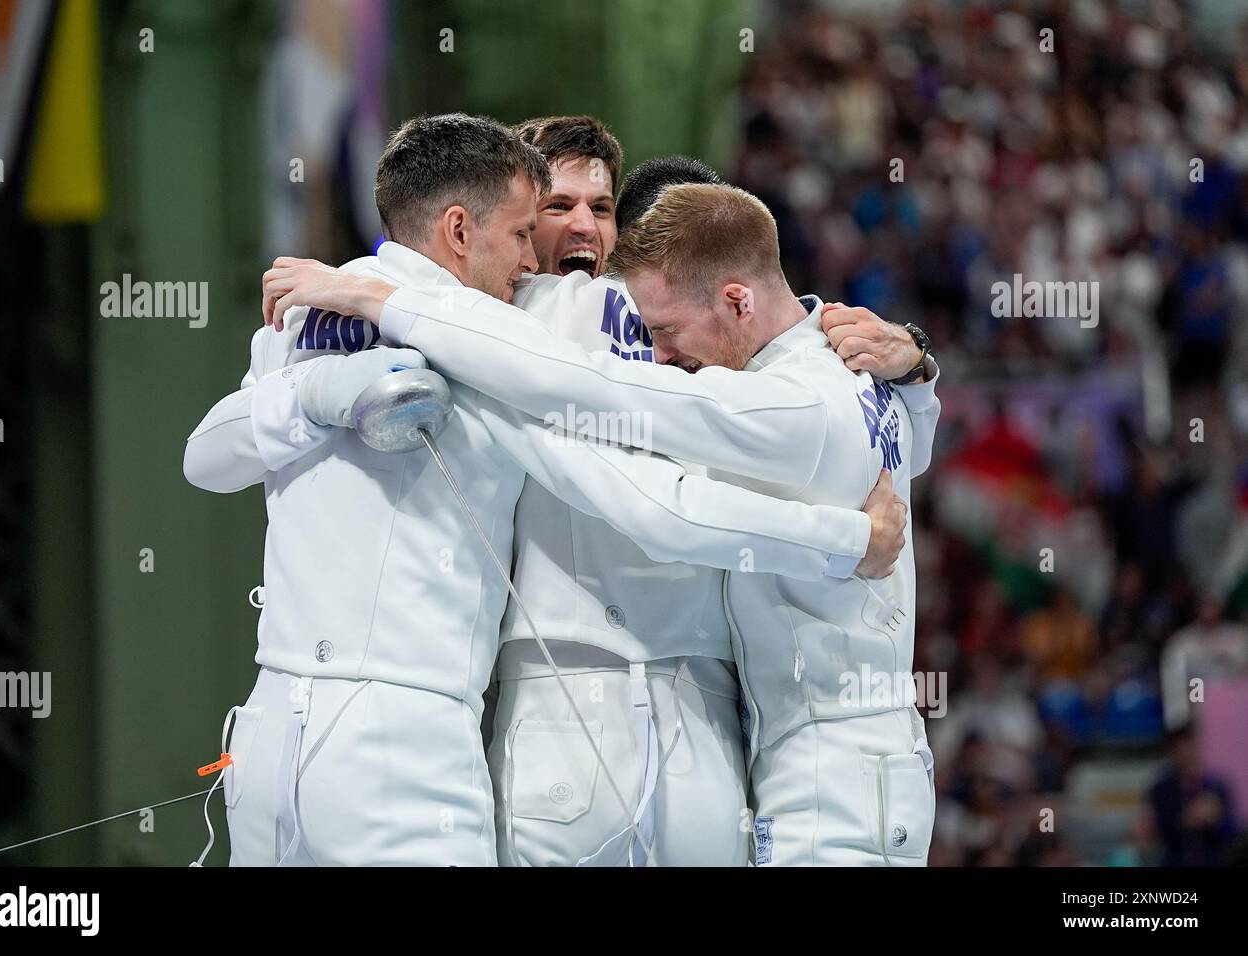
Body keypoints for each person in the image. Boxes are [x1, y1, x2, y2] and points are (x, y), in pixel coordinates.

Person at [184, 114, 901, 866]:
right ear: (462, 229)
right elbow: (661, 500)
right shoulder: (509, 341)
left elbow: (205, 456)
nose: (533, 258)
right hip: (431, 743)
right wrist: (848, 531)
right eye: (537, 221)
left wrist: (323, 376)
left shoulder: (304, 315)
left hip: (272, 736)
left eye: (600, 208)